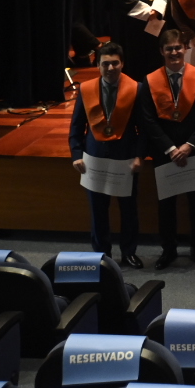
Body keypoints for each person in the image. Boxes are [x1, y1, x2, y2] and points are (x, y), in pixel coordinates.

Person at [69, 42, 150, 266]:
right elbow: (76, 127)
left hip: (125, 159)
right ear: (97, 65)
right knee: (98, 211)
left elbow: (144, 128)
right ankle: (101, 256)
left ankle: (129, 252)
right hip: (94, 160)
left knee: (129, 210)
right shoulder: (85, 90)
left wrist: (139, 156)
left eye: (115, 63)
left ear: (122, 64)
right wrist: (76, 154)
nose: (111, 68)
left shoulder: (137, 88)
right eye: (105, 64)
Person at [142, 30, 195, 268]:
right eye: (169, 48)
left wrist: (189, 145)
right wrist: (171, 149)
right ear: (161, 51)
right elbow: (148, 120)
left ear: (185, 49)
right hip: (165, 153)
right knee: (166, 205)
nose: (174, 52)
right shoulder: (149, 81)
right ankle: (168, 250)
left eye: (178, 48)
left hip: (194, 150)